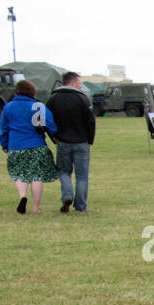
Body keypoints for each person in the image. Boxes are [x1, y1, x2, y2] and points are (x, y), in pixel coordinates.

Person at [0, 79, 58, 214]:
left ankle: (22, 196)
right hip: (36, 145)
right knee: (36, 176)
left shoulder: (8, 107)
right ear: (32, 91)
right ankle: (36, 208)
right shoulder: (38, 105)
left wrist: (4, 144)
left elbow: (4, 128)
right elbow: (50, 123)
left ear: (17, 91)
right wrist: (55, 135)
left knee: (19, 174)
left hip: (15, 145)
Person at [45, 71, 96, 213]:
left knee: (63, 171)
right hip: (82, 142)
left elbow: (47, 120)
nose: (80, 86)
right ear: (73, 82)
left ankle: (67, 195)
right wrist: (90, 139)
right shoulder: (83, 99)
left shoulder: (53, 99)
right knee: (82, 175)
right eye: (79, 83)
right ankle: (80, 206)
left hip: (62, 142)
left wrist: (53, 137)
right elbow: (91, 121)